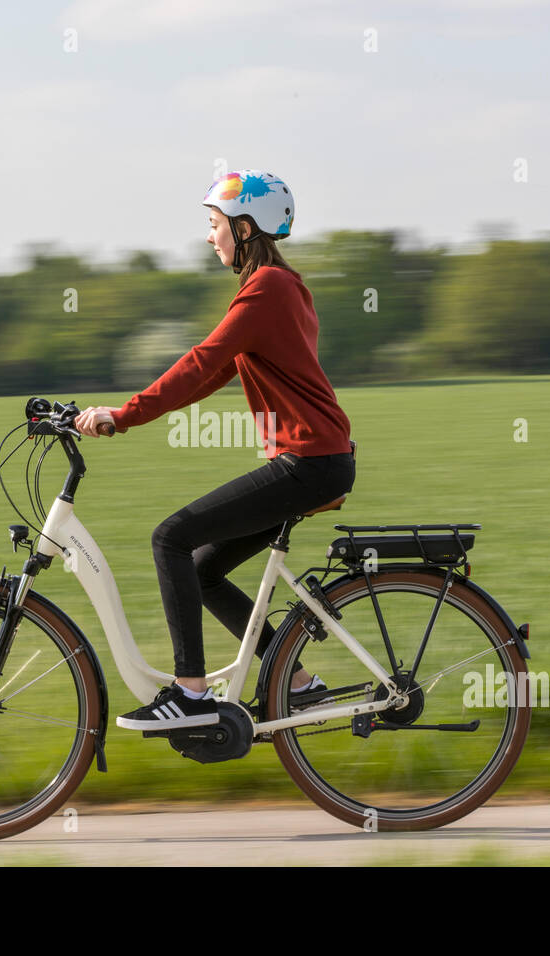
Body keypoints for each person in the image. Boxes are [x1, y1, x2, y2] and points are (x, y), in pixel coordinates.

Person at [75, 169, 354, 730]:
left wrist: (123, 415)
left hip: (310, 462)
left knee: (170, 538)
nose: (209, 237)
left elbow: (201, 361)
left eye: (214, 224)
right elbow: (213, 373)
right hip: (316, 460)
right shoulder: (281, 287)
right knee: (202, 569)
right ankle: (295, 683)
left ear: (245, 228)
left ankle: (191, 693)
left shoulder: (268, 289)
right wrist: (127, 417)